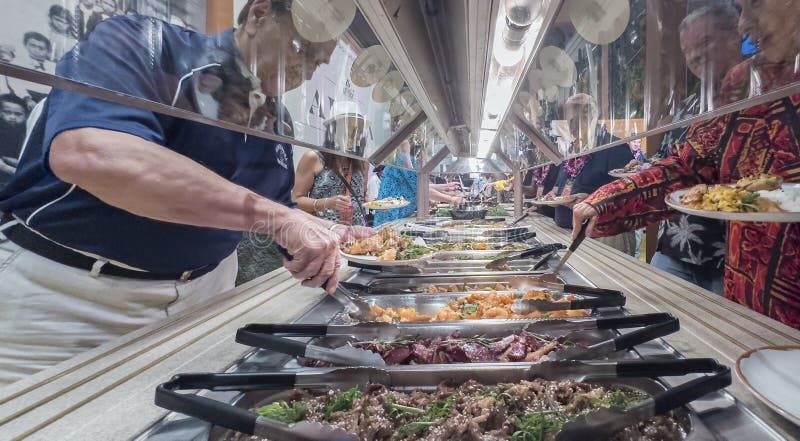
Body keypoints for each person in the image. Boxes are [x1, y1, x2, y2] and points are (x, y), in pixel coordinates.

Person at [0, 0, 371, 387]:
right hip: (67, 296)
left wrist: (327, 234)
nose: (304, 68)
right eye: (302, 49)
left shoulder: (274, 119)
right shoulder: (145, 43)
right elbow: (93, 154)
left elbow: (275, 208)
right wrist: (281, 218)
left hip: (205, 296)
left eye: (318, 61)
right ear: (259, 15)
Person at [572, 0, 800, 329]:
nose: (744, 24)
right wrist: (607, 202)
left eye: (755, 4)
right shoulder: (743, 82)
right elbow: (690, 166)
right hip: (753, 298)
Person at [642, 4, 742, 294]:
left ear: (735, 36)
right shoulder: (688, 107)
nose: (695, 56)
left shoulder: (761, 91)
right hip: (674, 249)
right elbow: (666, 163)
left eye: (705, 42)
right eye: (687, 50)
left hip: (732, 260)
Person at [374, 141, 462, 226]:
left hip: (396, 216)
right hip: (390, 217)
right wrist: (452, 200)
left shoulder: (408, 161)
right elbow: (421, 188)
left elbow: (419, 185)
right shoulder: (402, 159)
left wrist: (446, 186)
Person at [292, 150, 369, 226]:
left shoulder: (362, 160)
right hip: (325, 233)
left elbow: (362, 193)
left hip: (358, 232)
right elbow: (296, 200)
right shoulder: (314, 158)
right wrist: (326, 202)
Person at [0, 94, 28, 187]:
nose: (12, 117)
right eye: (7, 112)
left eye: (18, 114)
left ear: (26, 116)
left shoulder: (26, 134)